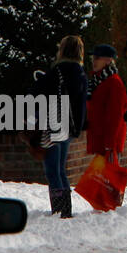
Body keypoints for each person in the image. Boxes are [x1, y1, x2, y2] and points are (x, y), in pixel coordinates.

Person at [35, 36, 88, 218]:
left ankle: (60, 209)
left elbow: (40, 92)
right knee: (61, 169)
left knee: (52, 170)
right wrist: (77, 128)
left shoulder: (58, 71)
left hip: (54, 123)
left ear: (63, 50)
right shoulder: (80, 73)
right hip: (69, 126)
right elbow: (81, 104)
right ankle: (66, 208)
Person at [85, 44, 127, 164]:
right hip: (100, 139)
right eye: (93, 58)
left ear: (108, 60)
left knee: (108, 179)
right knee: (100, 180)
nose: (94, 61)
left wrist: (110, 144)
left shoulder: (114, 83)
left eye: (97, 58)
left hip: (109, 143)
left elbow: (115, 115)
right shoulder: (97, 81)